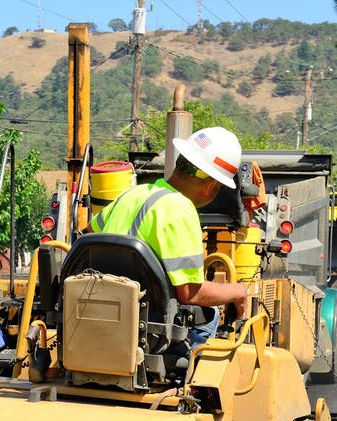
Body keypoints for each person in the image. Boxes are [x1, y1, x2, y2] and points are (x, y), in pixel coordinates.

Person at [87, 126, 249, 346]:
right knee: (209, 316)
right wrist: (238, 291)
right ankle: (189, 372)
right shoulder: (181, 210)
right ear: (212, 185)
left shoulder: (132, 194)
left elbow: (90, 234)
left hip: (95, 315)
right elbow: (190, 293)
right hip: (145, 333)